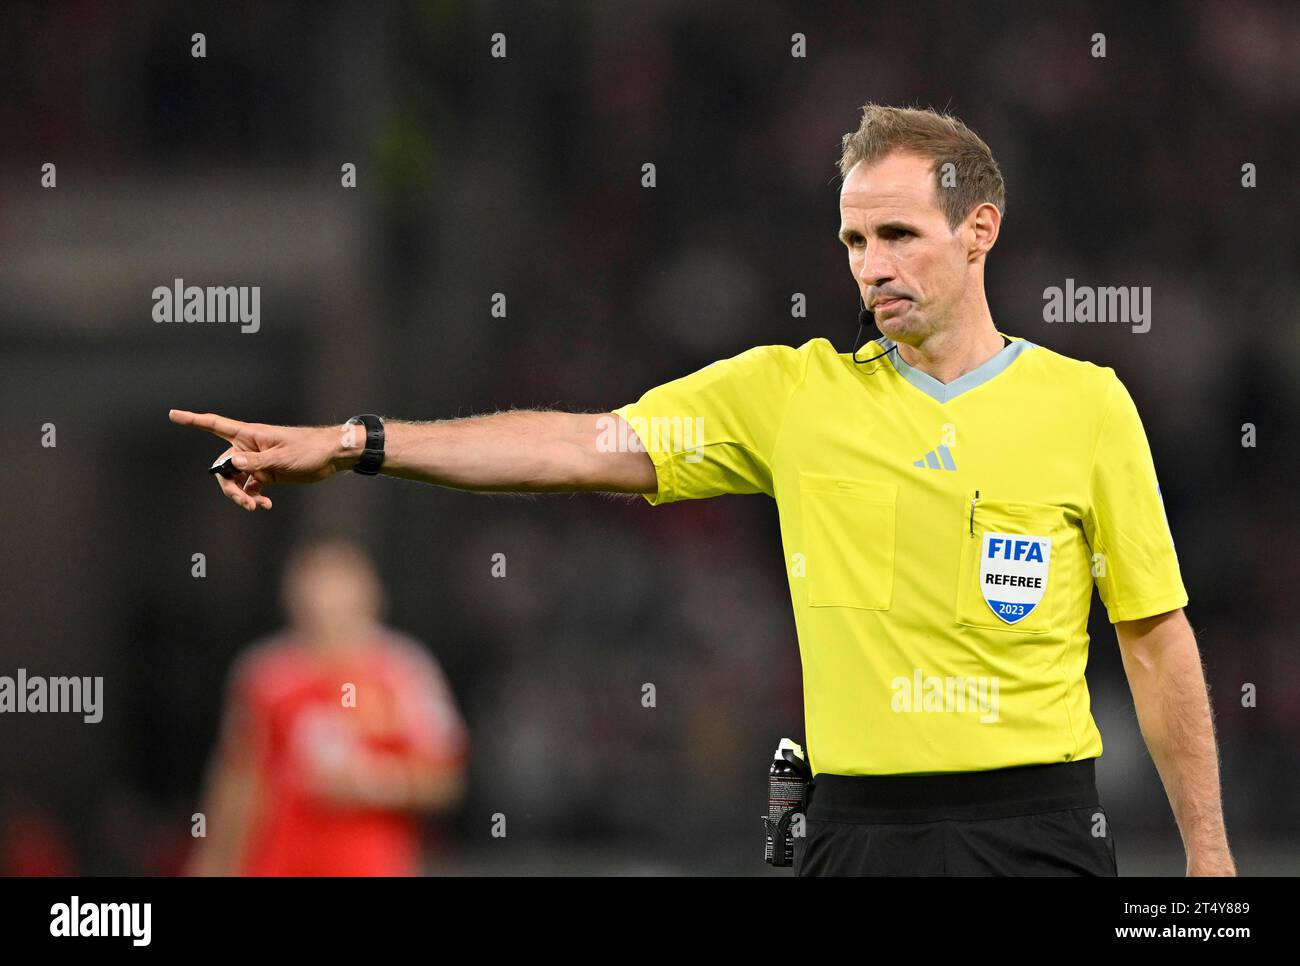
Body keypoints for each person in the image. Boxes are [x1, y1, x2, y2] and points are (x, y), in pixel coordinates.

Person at [171, 103, 1233, 877]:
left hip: (1038, 828)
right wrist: (357, 441)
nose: (871, 266)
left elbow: (1154, 637)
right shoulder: (788, 393)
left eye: (898, 235)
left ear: (979, 229)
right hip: (855, 833)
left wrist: (1210, 860)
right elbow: (574, 448)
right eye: (855, 241)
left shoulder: (1085, 406)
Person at [187, 537, 467, 876]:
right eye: (314, 584)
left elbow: (446, 779)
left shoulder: (405, 671)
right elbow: (238, 779)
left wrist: (372, 783)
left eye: (339, 586)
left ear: (370, 592)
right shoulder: (266, 674)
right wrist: (213, 863)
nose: (326, 601)